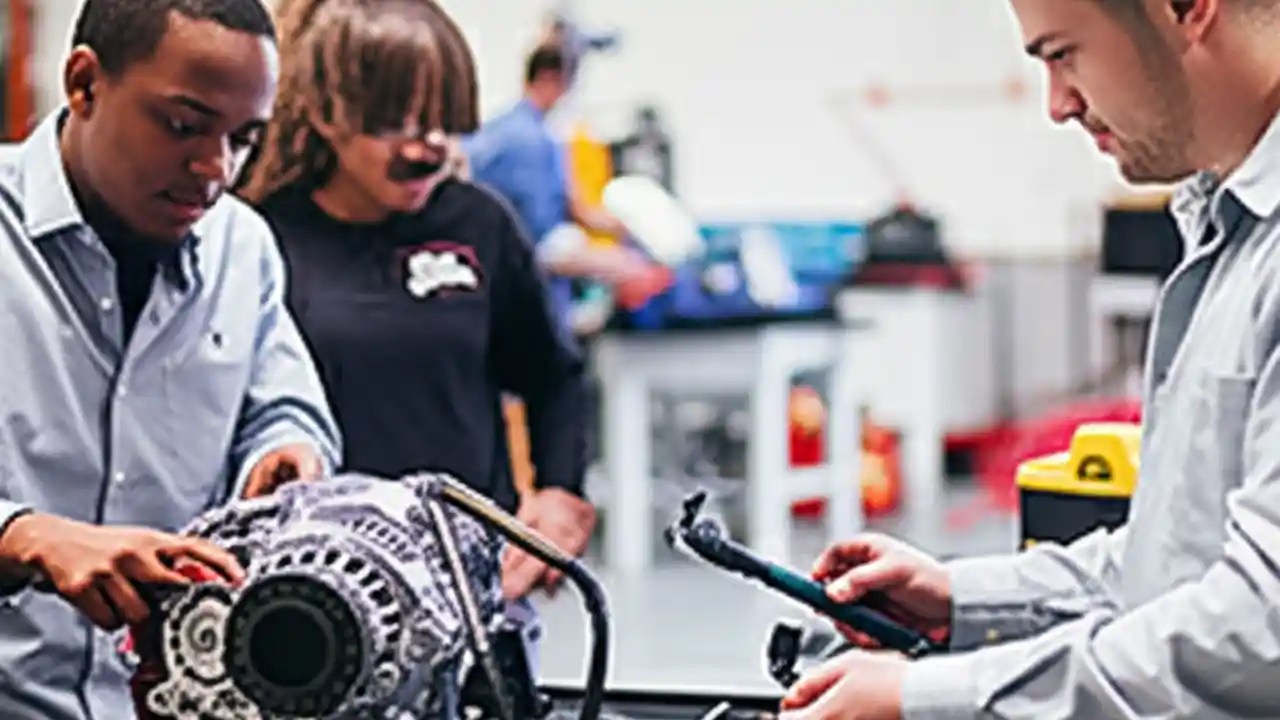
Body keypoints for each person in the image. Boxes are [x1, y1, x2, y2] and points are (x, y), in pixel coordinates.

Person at [779, 1, 1280, 718]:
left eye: (1062, 53)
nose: (1057, 104)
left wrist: (924, 699)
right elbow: (1174, 568)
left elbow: (1260, 629)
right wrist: (965, 600)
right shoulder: (1230, 230)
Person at [0, 0, 342, 716]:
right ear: (85, 84)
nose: (214, 169)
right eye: (184, 126)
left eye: (244, 139)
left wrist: (285, 451)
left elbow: (283, 407)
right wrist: (22, 535)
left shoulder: (240, 249)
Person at [237, 0, 595, 623]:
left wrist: (560, 494)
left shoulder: (479, 225)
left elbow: (553, 377)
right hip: (307, 603)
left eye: (442, 123)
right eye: (396, 124)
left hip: (467, 596)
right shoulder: (257, 239)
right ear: (326, 112)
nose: (427, 150)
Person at [462, 42, 656, 327]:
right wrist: (636, 230)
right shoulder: (536, 140)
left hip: (501, 255)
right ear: (550, 79)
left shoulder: (498, 129)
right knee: (632, 268)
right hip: (528, 255)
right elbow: (554, 223)